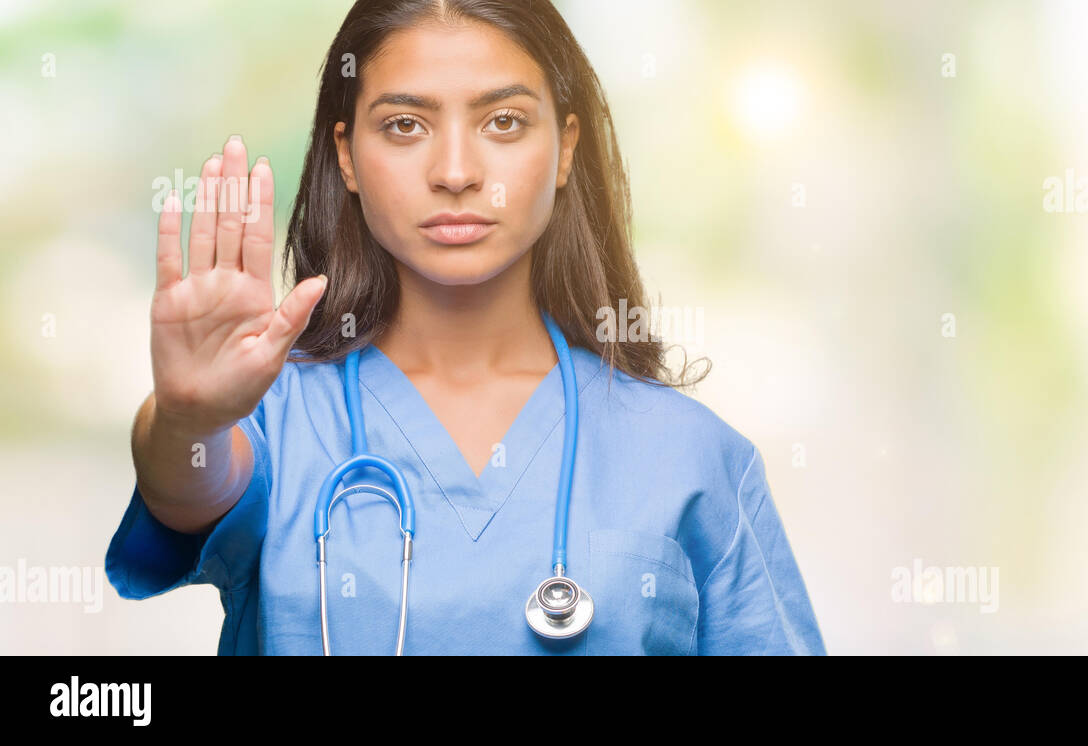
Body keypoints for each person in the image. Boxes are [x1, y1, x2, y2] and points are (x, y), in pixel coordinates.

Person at [107, 0, 826, 655]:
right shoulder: (272, 421)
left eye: (504, 121)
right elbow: (186, 486)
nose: (456, 171)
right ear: (349, 156)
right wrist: (188, 418)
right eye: (405, 125)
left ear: (567, 146)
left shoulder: (689, 457)